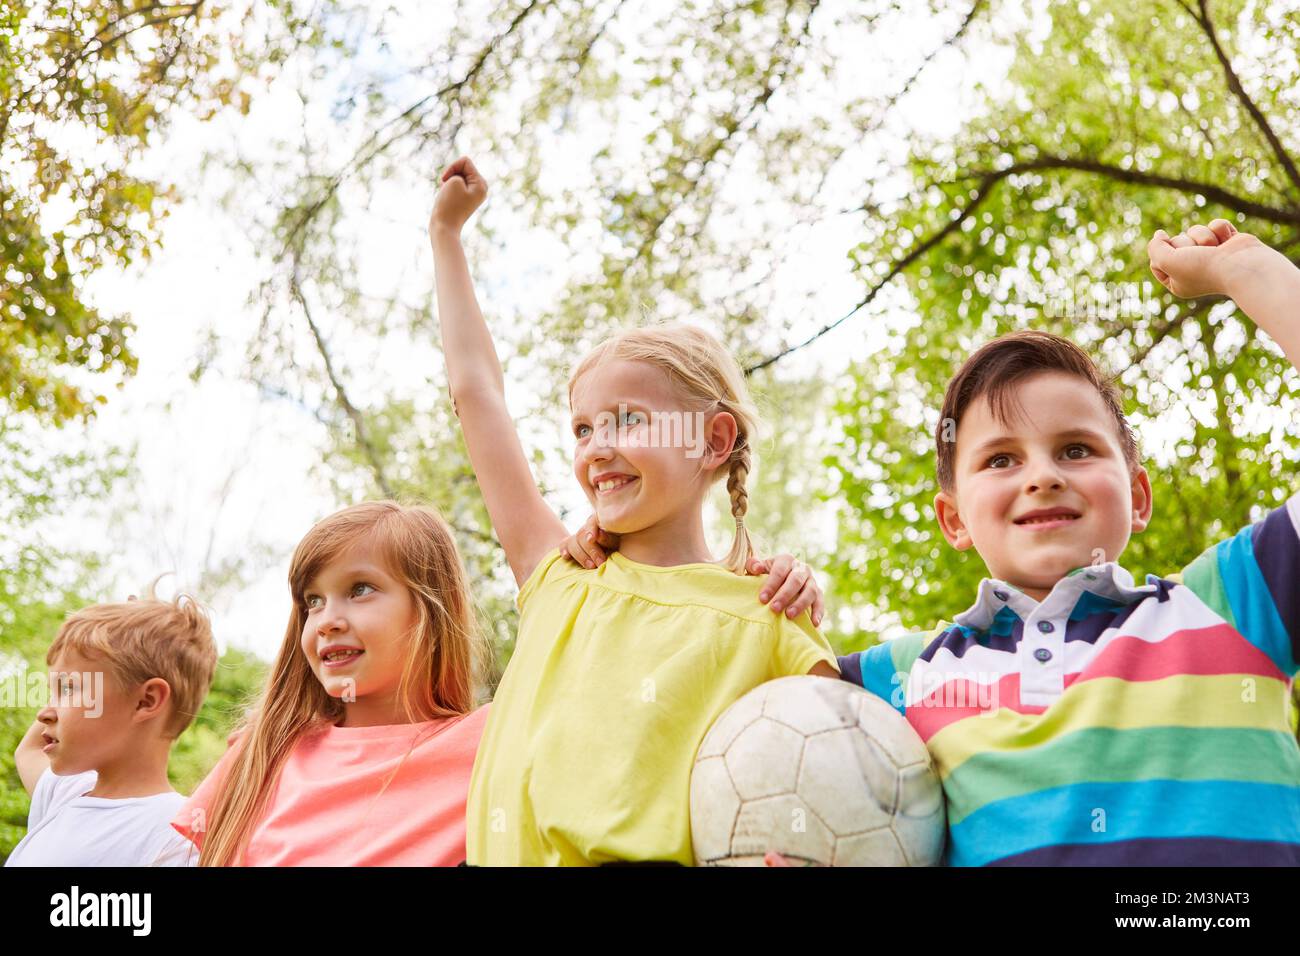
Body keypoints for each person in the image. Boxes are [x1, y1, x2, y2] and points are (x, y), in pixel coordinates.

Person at [834, 219, 1300, 865]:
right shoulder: (898, 678)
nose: (1044, 476)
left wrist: (1244, 268)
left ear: (1137, 497)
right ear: (954, 520)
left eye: (1075, 449)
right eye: (1000, 460)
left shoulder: (1233, 602)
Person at [430, 155, 840, 865]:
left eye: (627, 421)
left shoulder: (768, 614)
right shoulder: (558, 577)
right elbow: (478, 395)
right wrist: (446, 236)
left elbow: (836, 786)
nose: (597, 449)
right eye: (584, 429)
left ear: (712, 441)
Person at [171, 501, 491, 866]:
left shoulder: (488, 742)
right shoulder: (265, 749)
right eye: (313, 601)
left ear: (430, 609)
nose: (326, 621)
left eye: (360, 589)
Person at [8, 590, 217, 867]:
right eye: (53, 692)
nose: (44, 713)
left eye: (69, 689)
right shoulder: (67, 794)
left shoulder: (177, 835)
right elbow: (30, 751)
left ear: (146, 701)